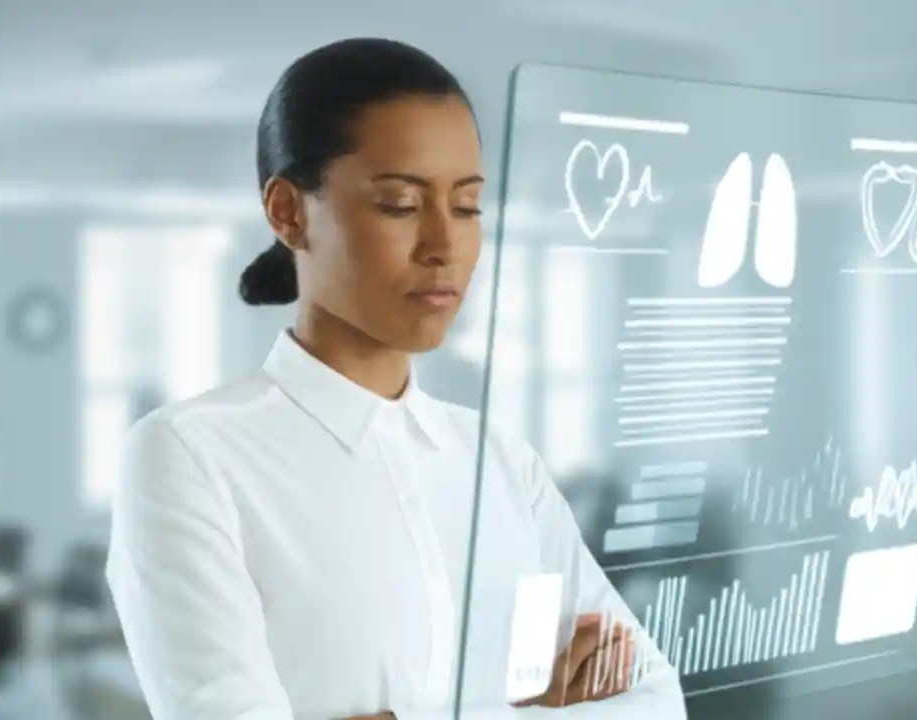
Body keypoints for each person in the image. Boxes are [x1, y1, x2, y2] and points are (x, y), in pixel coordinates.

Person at [105, 37, 687, 720]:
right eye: (401, 205)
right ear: (289, 212)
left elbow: (657, 702)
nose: (444, 246)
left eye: (467, 206)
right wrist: (536, 708)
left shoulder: (498, 462)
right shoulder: (189, 456)